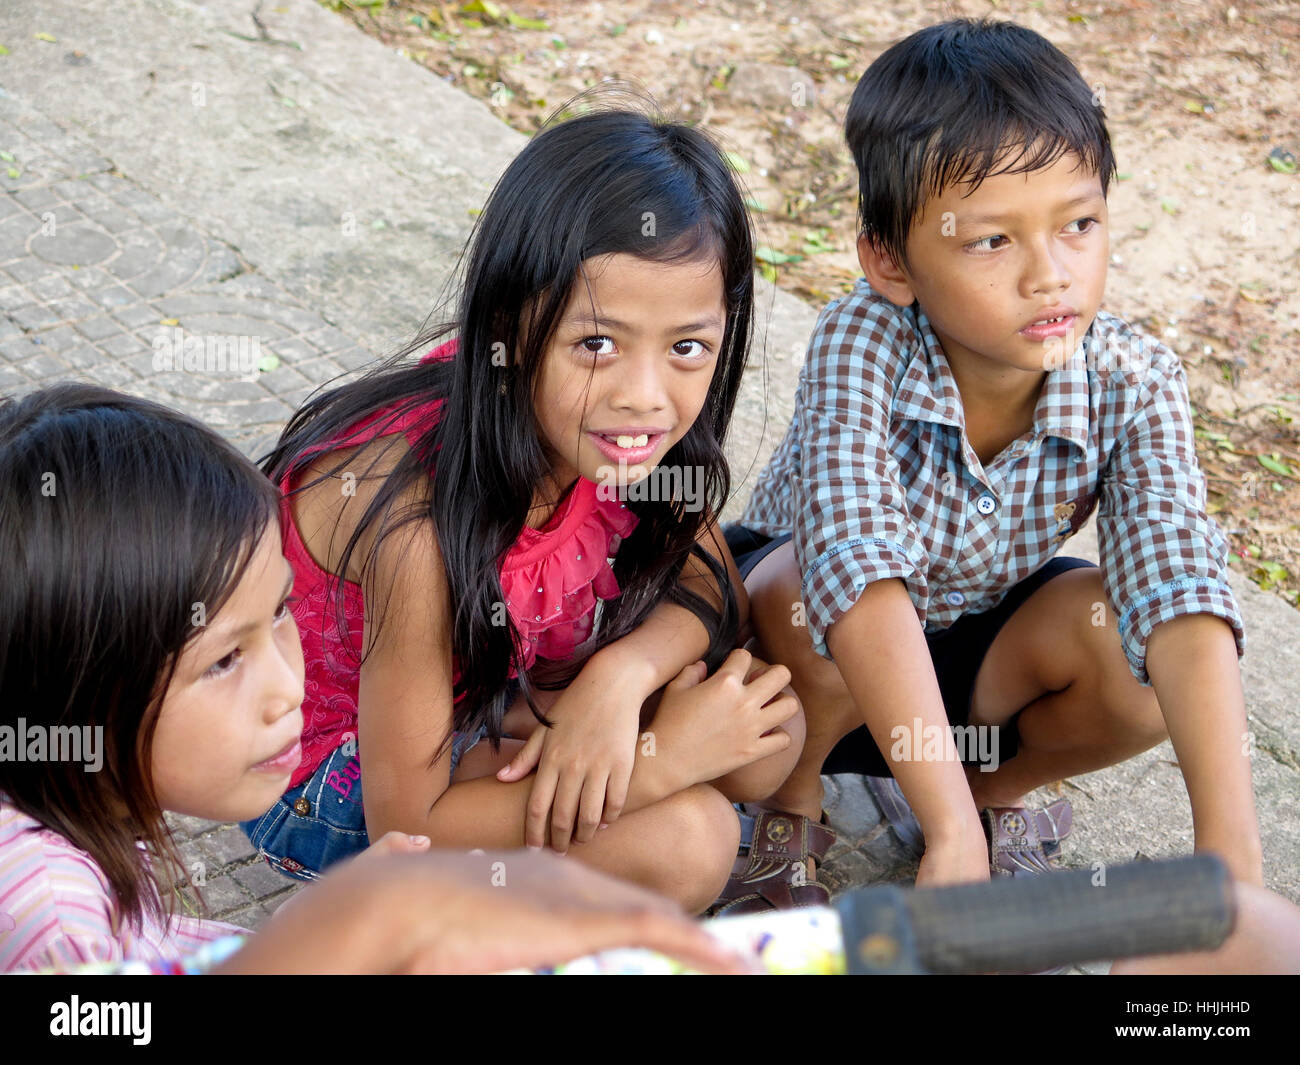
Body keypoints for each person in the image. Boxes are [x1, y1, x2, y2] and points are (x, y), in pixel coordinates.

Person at [241, 102, 820, 914]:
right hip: (343, 784)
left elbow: (710, 581)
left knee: (766, 737)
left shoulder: (620, 432)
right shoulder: (414, 523)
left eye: (687, 346)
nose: (644, 396)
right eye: (596, 344)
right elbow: (406, 824)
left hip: (484, 694)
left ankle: (552, 806)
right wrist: (653, 761)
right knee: (693, 840)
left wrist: (620, 681)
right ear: (514, 330)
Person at [729, 18, 1262, 891]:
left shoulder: (1135, 376)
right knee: (802, 594)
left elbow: (1179, 584)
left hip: (966, 648)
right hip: (801, 651)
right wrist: (946, 836)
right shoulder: (861, 341)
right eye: (991, 240)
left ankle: (985, 792)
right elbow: (854, 568)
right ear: (890, 261)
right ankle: (790, 808)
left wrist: (1230, 869)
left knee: (1138, 658)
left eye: (1078, 223)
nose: (1050, 275)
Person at [0, 384, 749, 975]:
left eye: (284, 610)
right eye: (224, 659)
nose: (289, 686)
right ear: (73, 688)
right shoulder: (52, 916)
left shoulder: (66, 816)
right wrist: (344, 935)